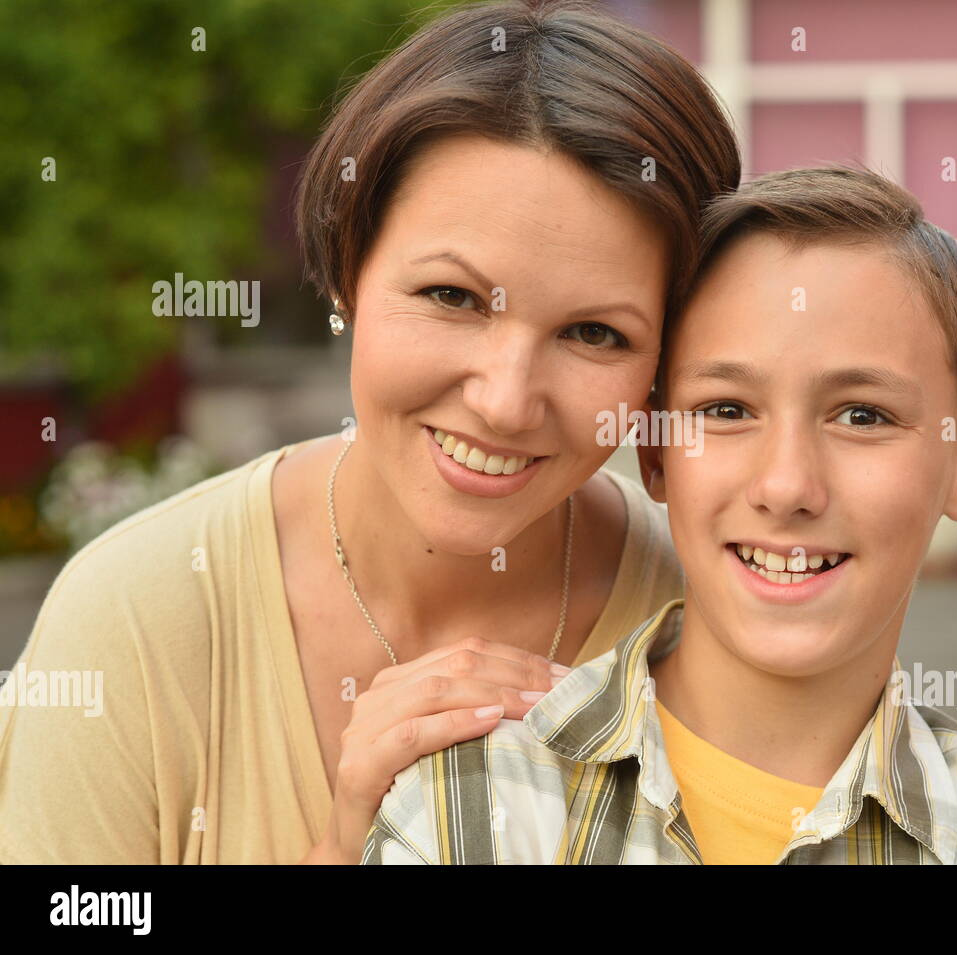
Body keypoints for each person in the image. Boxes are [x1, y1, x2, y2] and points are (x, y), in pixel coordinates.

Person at [0, 0, 739, 865]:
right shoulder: (133, 616)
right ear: (348, 272)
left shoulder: (718, 621)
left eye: (594, 333)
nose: (506, 402)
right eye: (452, 296)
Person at [363, 166, 957, 865]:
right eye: (727, 409)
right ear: (656, 452)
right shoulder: (471, 806)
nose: (786, 485)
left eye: (862, 416)